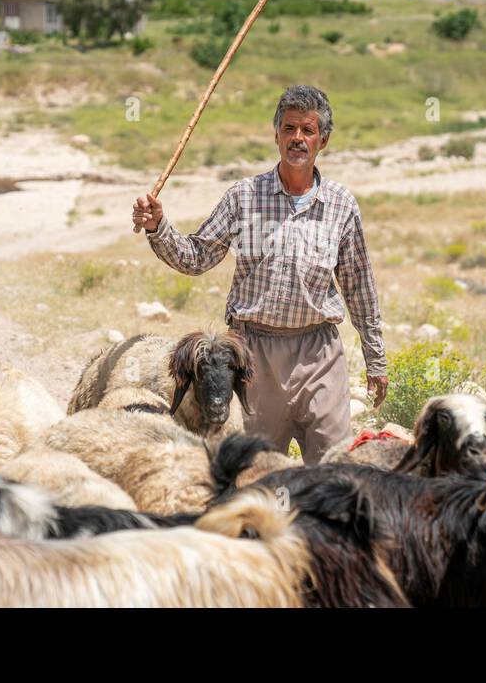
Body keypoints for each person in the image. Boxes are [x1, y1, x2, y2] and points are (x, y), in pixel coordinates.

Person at [133, 85, 387, 463]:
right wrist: (158, 227)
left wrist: (375, 358)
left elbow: (359, 288)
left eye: (307, 130)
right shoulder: (244, 197)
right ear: (276, 135)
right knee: (255, 472)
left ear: (324, 140)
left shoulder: (341, 206)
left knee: (334, 469)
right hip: (254, 358)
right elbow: (196, 257)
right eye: (289, 129)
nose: (297, 139)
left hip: (319, 353)